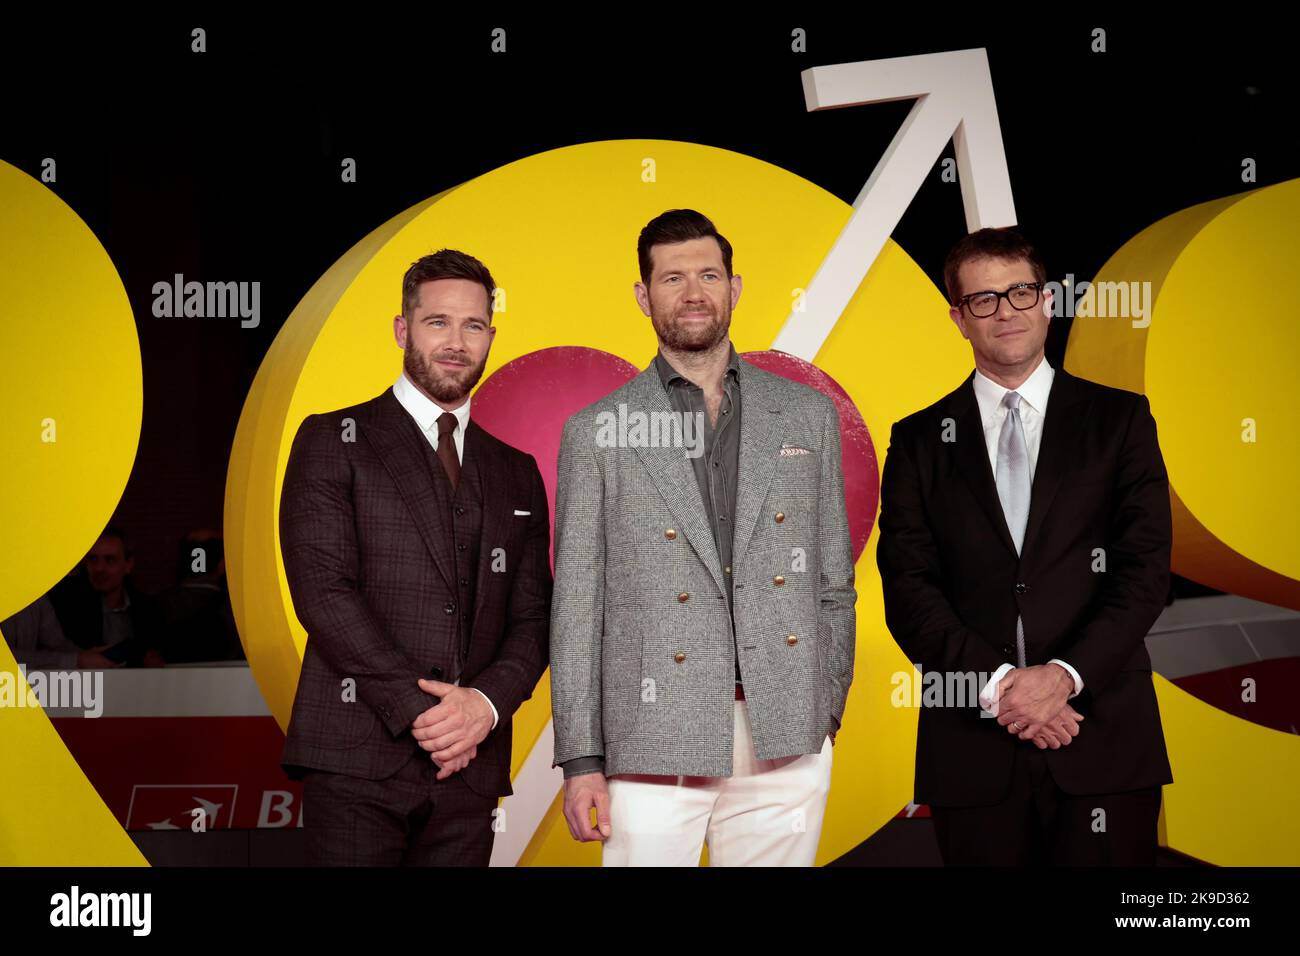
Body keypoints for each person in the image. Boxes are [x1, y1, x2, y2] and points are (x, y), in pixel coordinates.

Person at [550, 209, 856, 866]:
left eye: (708, 275)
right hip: (650, 741)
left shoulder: (807, 414)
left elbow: (833, 579)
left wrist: (822, 709)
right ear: (643, 296)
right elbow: (577, 604)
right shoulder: (596, 430)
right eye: (672, 278)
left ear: (735, 287)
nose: (693, 294)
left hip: (787, 736)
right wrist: (581, 760)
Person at [876, 226, 1173, 865]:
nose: (1004, 311)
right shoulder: (919, 439)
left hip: (1102, 735)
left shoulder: (1119, 420)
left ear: (1045, 300)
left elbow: (1144, 570)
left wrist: (1063, 679)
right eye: (982, 300)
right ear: (958, 318)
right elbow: (907, 586)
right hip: (973, 752)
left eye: (1019, 292)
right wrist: (1004, 687)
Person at [279, 249, 552, 866]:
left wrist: (483, 708)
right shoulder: (333, 439)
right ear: (403, 330)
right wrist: (426, 716)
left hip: (471, 771)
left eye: (473, 325)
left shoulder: (517, 471)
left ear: (490, 335)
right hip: (356, 762)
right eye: (438, 322)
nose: (456, 342)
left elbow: (535, 618)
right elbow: (324, 592)